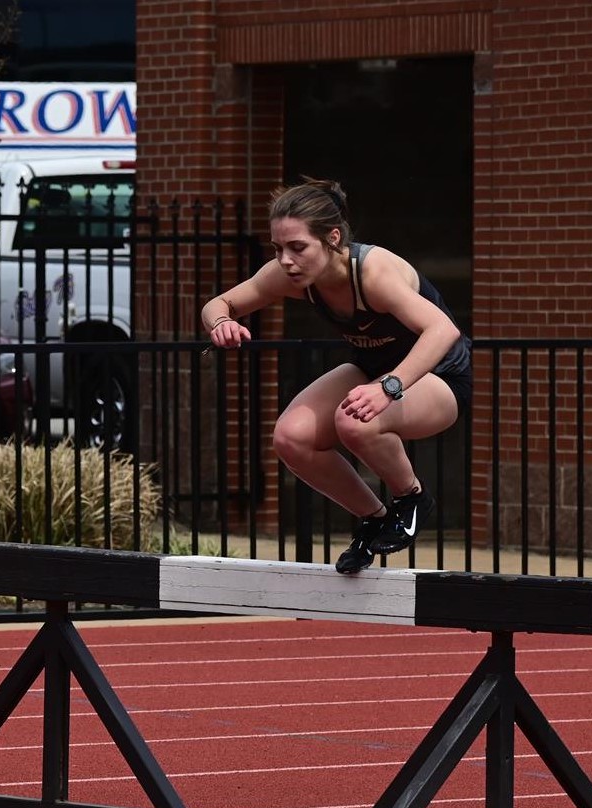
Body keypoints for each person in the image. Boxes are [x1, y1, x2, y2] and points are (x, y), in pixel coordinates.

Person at [200, 179, 472, 574]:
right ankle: (375, 517)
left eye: (297, 248)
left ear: (333, 238)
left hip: (438, 375)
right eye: (278, 249)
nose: (286, 260)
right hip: (371, 370)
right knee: (290, 438)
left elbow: (443, 331)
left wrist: (389, 386)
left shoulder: (372, 273)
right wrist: (221, 322)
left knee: (353, 418)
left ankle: (411, 497)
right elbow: (218, 303)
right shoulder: (287, 275)